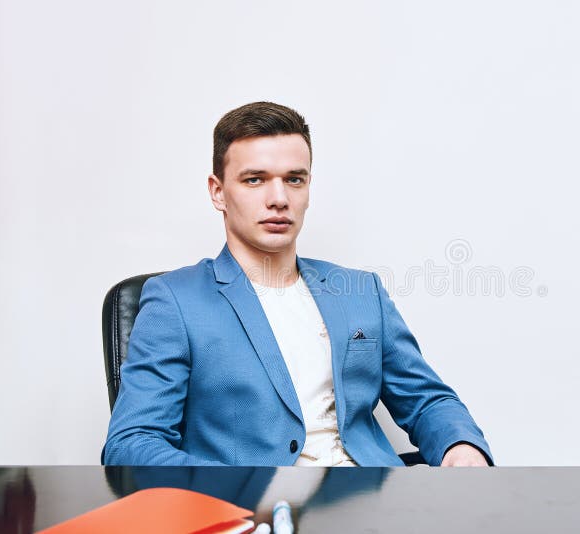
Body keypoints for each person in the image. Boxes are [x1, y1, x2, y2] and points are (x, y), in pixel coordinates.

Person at [103, 102, 492, 467]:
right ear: (218, 191)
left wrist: (462, 446)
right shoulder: (175, 301)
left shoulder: (360, 291)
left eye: (294, 180)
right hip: (260, 511)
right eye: (255, 180)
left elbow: (426, 400)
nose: (279, 199)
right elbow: (132, 442)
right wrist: (239, 491)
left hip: (374, 501)